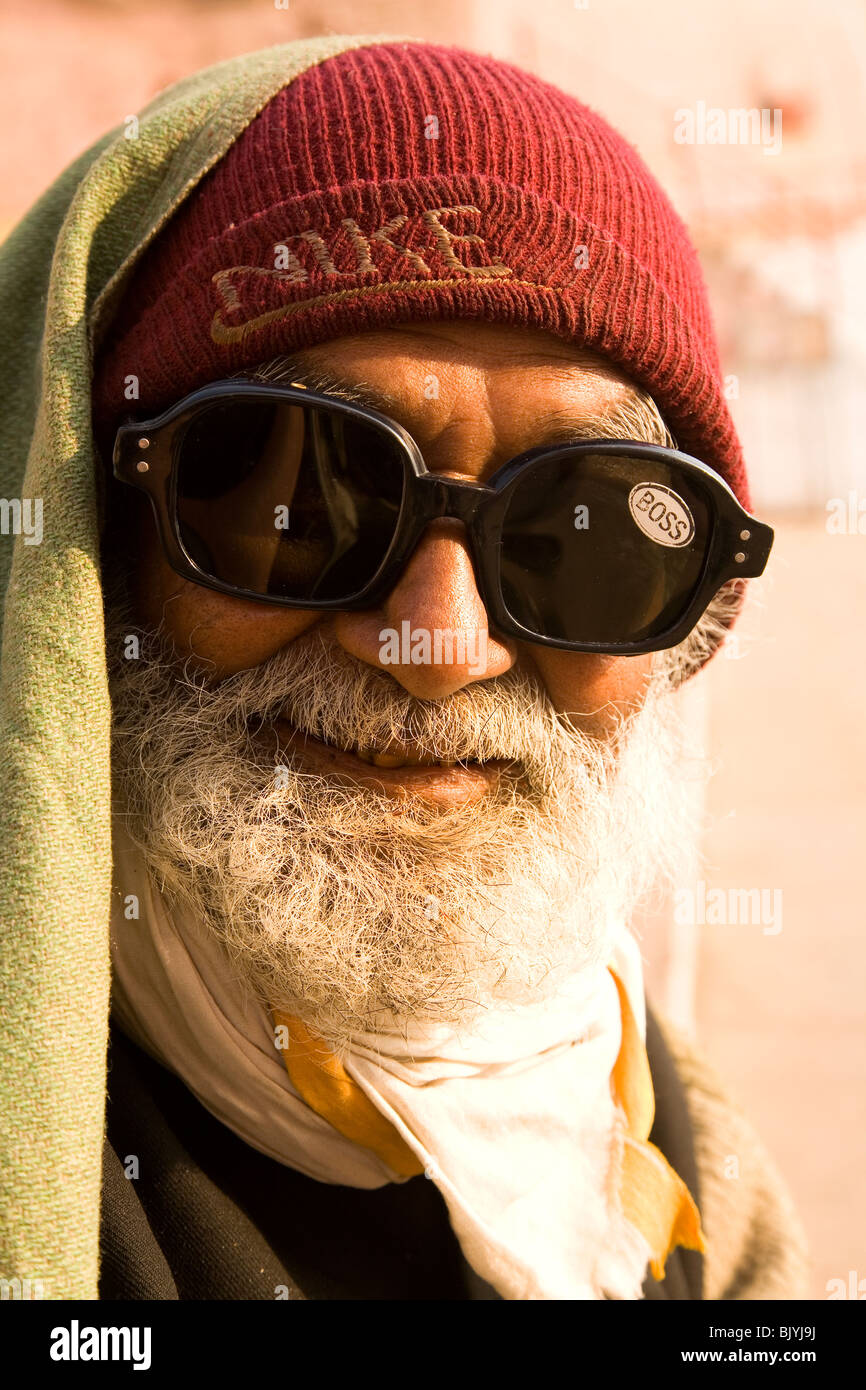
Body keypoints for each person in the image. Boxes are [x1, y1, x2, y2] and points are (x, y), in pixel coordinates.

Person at [0, 33, 808, 1301]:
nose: (440, 642)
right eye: (300, 495)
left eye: (574, 532)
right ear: (94, 547)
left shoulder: (651, 1127)